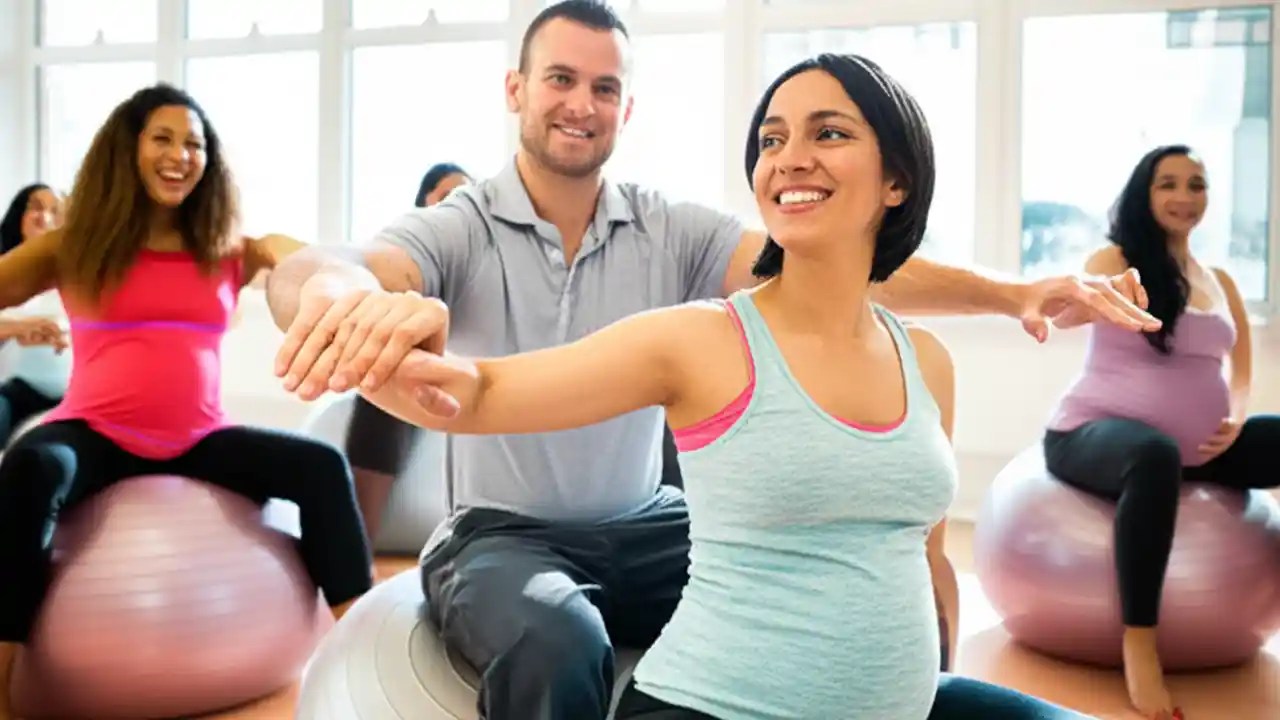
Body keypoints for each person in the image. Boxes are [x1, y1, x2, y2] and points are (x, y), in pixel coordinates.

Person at [264, 4, 1156, 718]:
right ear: (516, 89)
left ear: (627, 107)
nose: (581, 103)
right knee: (559, 639)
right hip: (504, 534)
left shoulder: (670, 228)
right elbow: (333, 269)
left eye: (605, 86)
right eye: (561, 79)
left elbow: (837, 256)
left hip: (648, 524)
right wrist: (342, 307)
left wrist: (1014, 292)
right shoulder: (461, 225)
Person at [0, 83, 374, 720]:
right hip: (94, 431)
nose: (180, 156)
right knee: (32, 467)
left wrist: (334, 277)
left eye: (195, 144)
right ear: (128, 150)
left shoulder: (227, 248)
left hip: (200, 439)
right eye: (163, 139)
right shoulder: (75, 246)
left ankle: (363, 659)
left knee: (321, 466)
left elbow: (303, 258)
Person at [1043, 145, 1274, 720]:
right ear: (1144, 193)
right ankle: (1140, 644)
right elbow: (1065, 314)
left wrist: (1235, 418)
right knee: (1154, 455)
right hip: (1091, 435)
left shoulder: (1220, 279)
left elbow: (1242, 365)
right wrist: (1090, 301)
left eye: (1196, 185)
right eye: (1168, 183)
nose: (1183, 196)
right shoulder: (1116, 259)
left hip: (1200, 449)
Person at [344, 161, 473, 543]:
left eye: (467, 195)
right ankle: (359, 543)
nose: (459, 204)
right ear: (424, 203)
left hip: (480, 372)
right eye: (448, 195)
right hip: (427, 374)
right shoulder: (408, 258)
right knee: (382, 391)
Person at [0, 184, 71, 445]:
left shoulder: (78, 275)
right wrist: (18, 327)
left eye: (55, 211)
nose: (45, 217)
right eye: (36, 208)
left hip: (72, 393)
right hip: (18, 388)